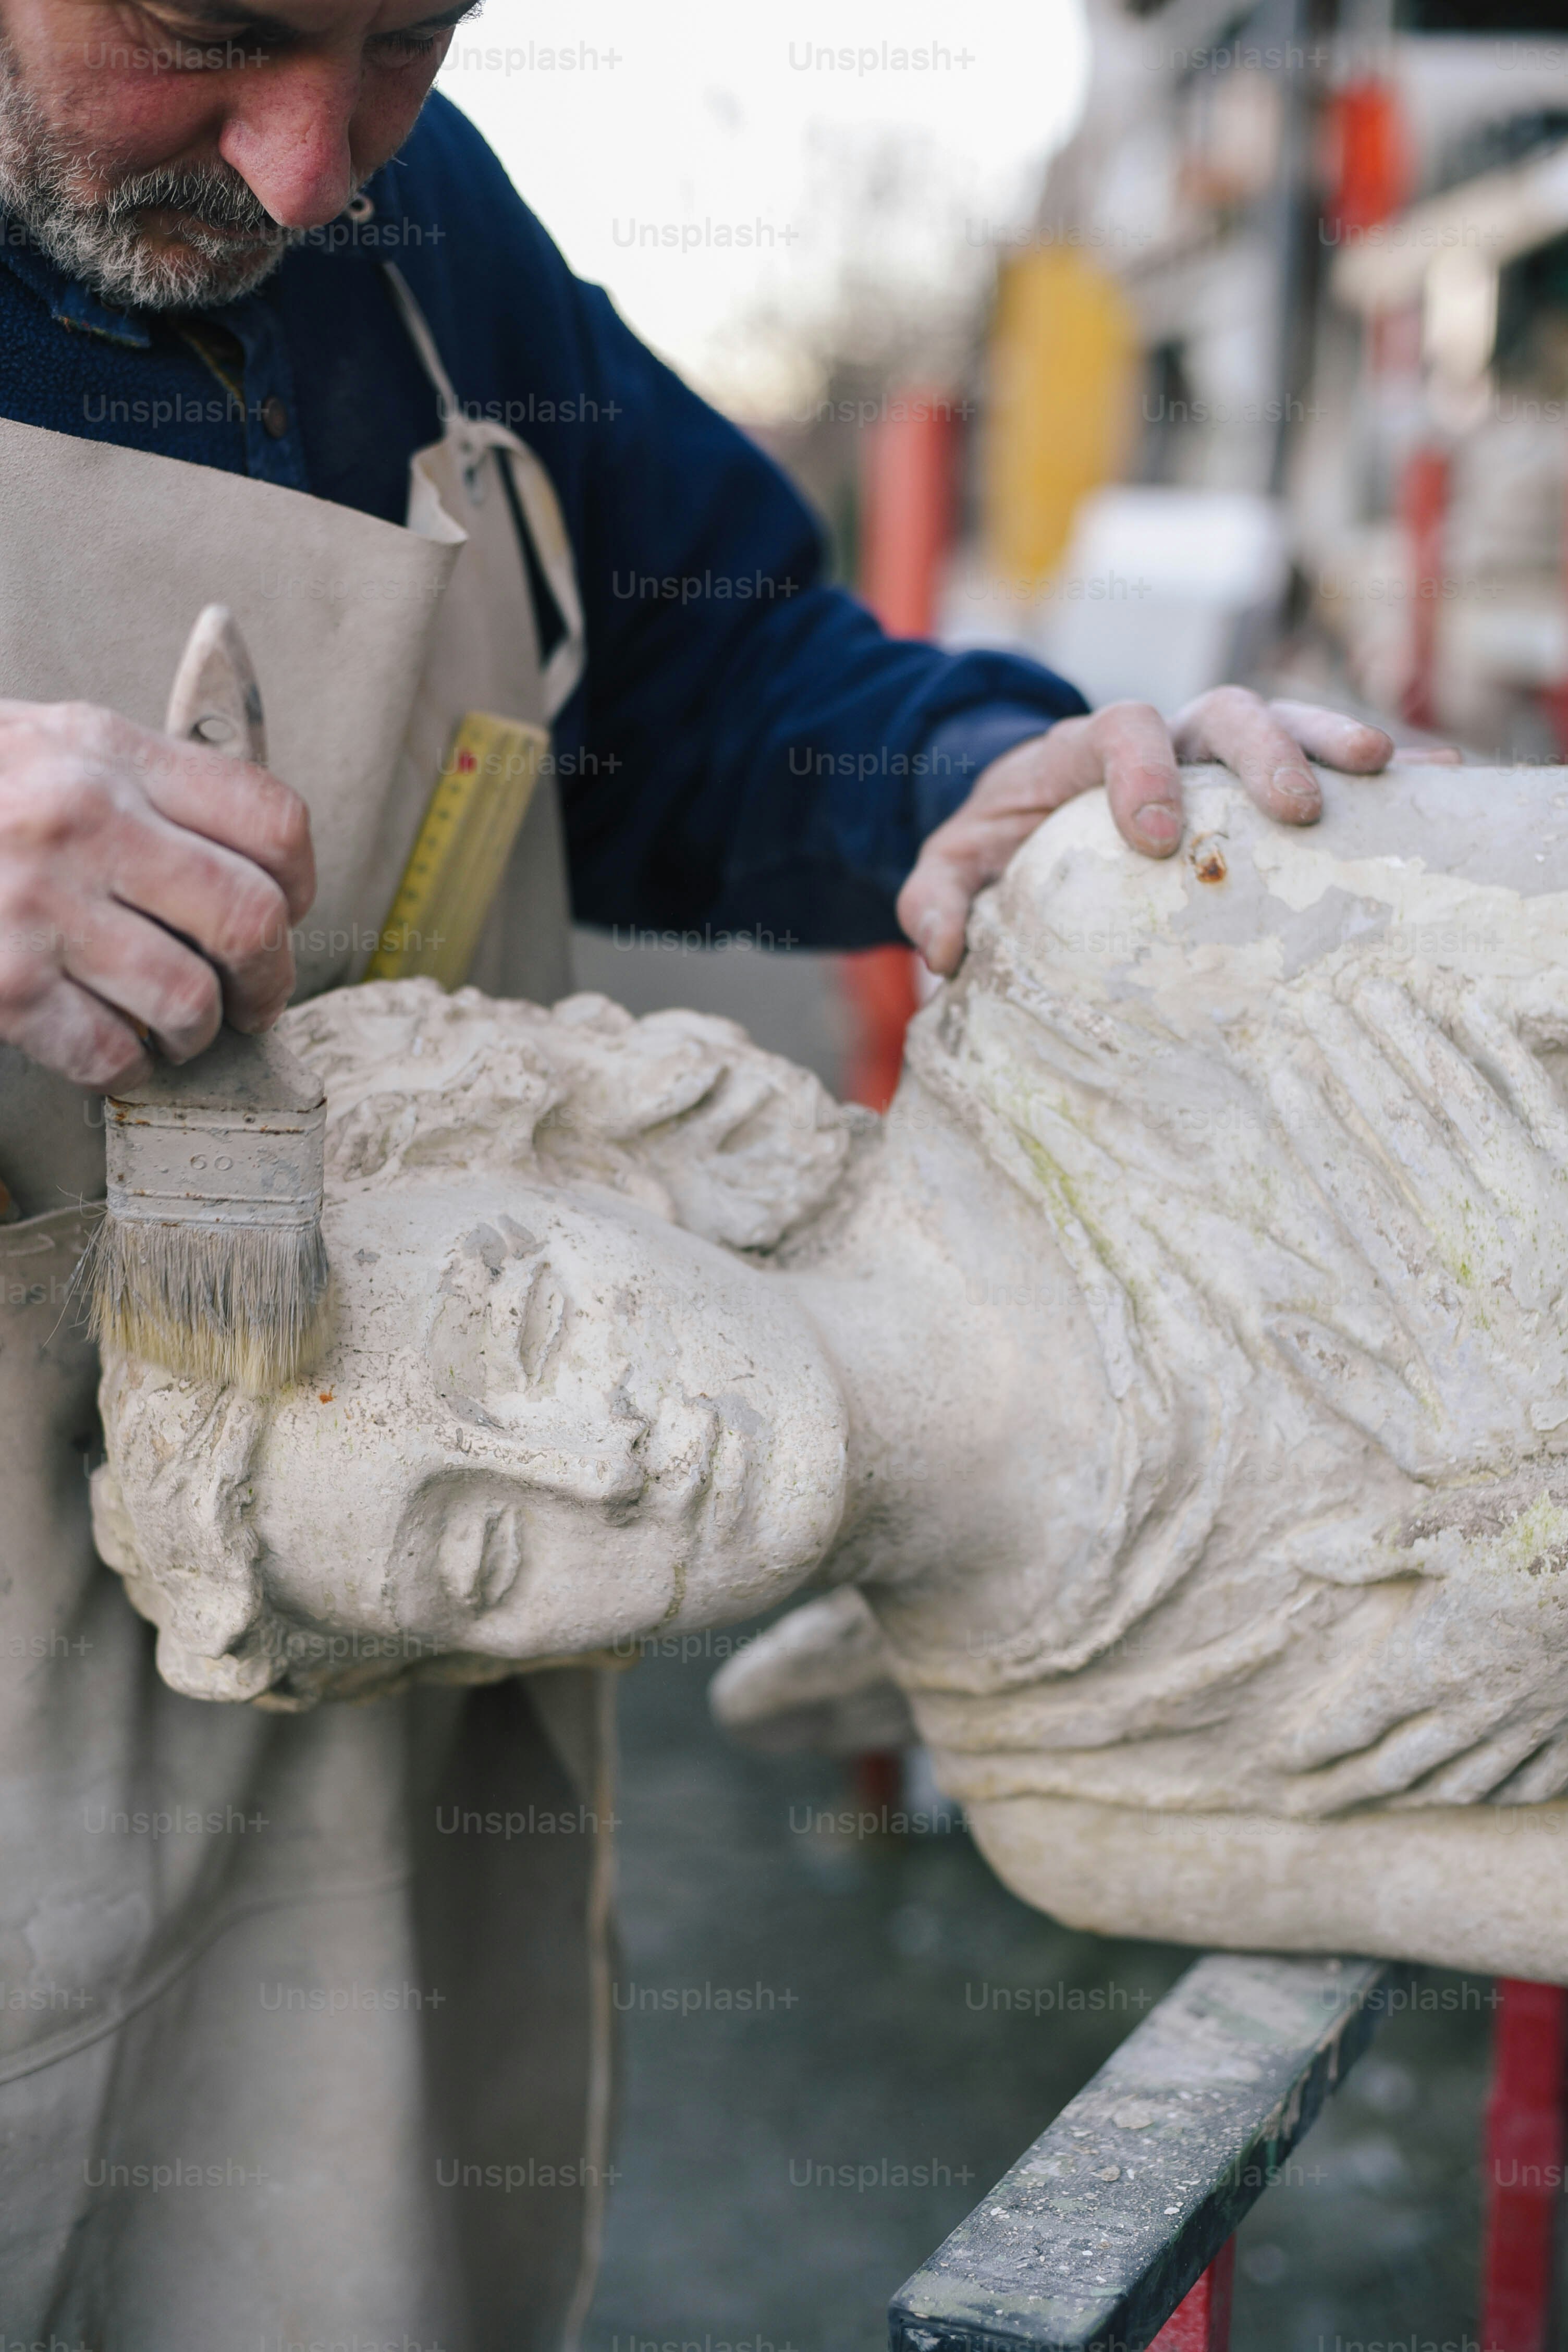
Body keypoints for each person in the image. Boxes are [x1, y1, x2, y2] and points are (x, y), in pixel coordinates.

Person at [0, 0, 1438, 2339]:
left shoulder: (422, 240)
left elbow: (714, 690)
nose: (306, 170)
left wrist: (983, 781)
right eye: (212, 36)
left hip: (409, 1663)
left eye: (403, 43)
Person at [96, 763, 1568, 2001]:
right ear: (504, 1660)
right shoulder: (1076, 1808)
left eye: (524, 1328)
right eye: (485, 1555)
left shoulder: (1134, 947)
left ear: (588, 1167)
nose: (598, 1469)